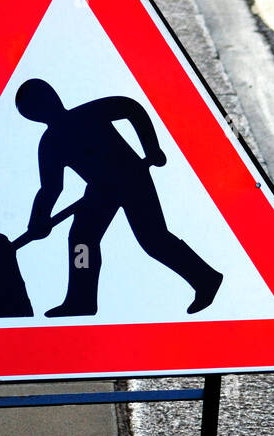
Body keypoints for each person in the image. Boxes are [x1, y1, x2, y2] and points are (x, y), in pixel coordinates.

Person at [14, 78, 223, 317]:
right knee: (82, 239)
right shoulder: (50, 144)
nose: (40, 111)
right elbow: (51, 188)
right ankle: (81, 300)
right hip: (100, 189)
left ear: (52, 97)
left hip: (131, 177)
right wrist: (38, 219)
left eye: (39, 103)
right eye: (32, 111)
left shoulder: (87, 114)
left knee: (153, 239)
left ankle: (205, 278)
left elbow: (130, 108)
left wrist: (151, 148)